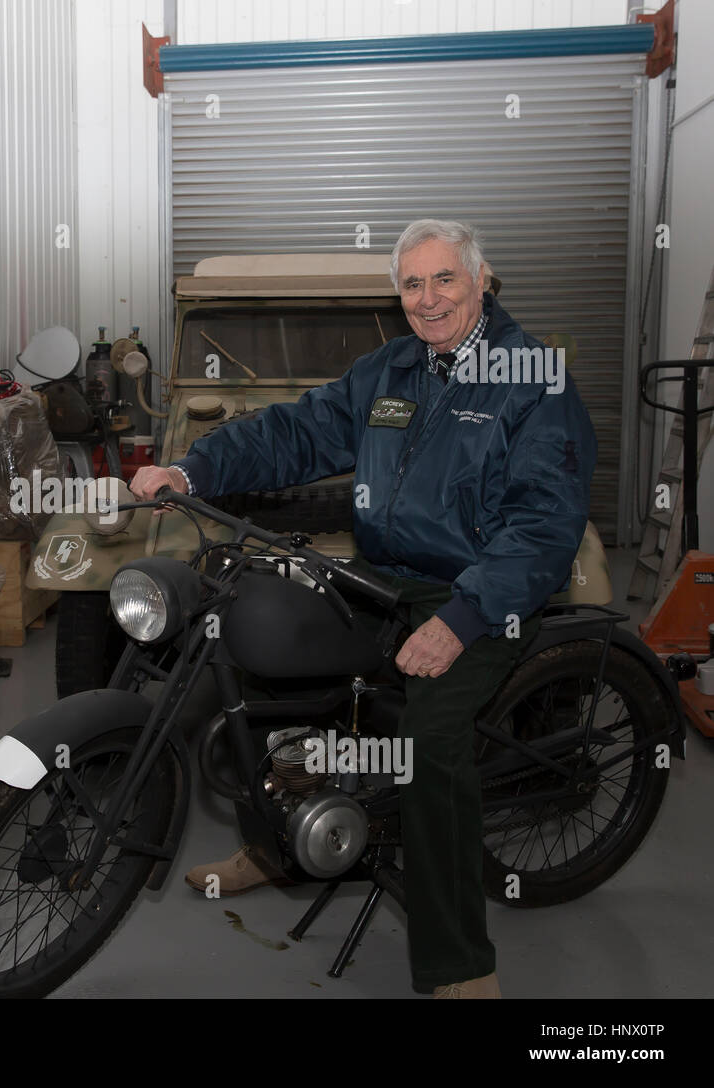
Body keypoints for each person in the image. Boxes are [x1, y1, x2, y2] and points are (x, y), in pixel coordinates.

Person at [129, 219, 596, 999]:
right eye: (412, 284)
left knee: (430, 739)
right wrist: (193, 465)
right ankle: (275, 848)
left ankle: (461, 967)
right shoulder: (392, 370)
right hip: (384, 577)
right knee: (267, 655)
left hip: (479, 592)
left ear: (482, 283)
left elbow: (545, 526)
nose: (428, 298)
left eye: (444, 279)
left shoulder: (532, 379)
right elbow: (296, 431)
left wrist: (462, 619)